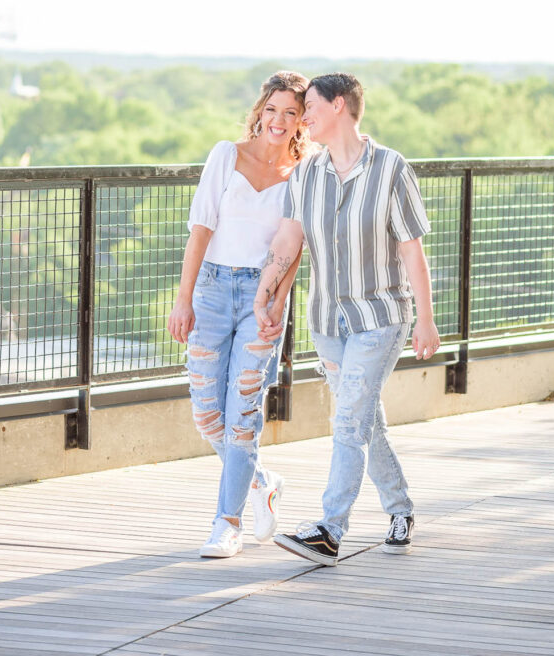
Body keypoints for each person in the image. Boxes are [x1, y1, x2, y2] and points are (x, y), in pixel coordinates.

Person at [252, 72, 439, 566]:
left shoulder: (391, 168)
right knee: (364, 421)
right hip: (328, 321)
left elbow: (412, 250)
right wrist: (265, 293)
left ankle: (330, 529)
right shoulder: (308, 174)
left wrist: (426, 319)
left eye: (308, 106)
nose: (303, 116)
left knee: (349, 420)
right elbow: (288, 241)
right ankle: (401, 509)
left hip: (381, 317)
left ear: (338, 106)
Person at [167, 71, 311, 559]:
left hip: (262, 295)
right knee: (208, 417)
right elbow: (201, 230)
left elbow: (294, 249)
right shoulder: (225, 155)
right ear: (260, 110)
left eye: (291, 112)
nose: (279, 119)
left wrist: (276, 300)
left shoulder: (304, 172)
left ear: (301, 120)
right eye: (273, 109)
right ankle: (260, 481)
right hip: (209, 290)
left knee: (243, 416)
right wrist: (183, 298)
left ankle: (226, 524)